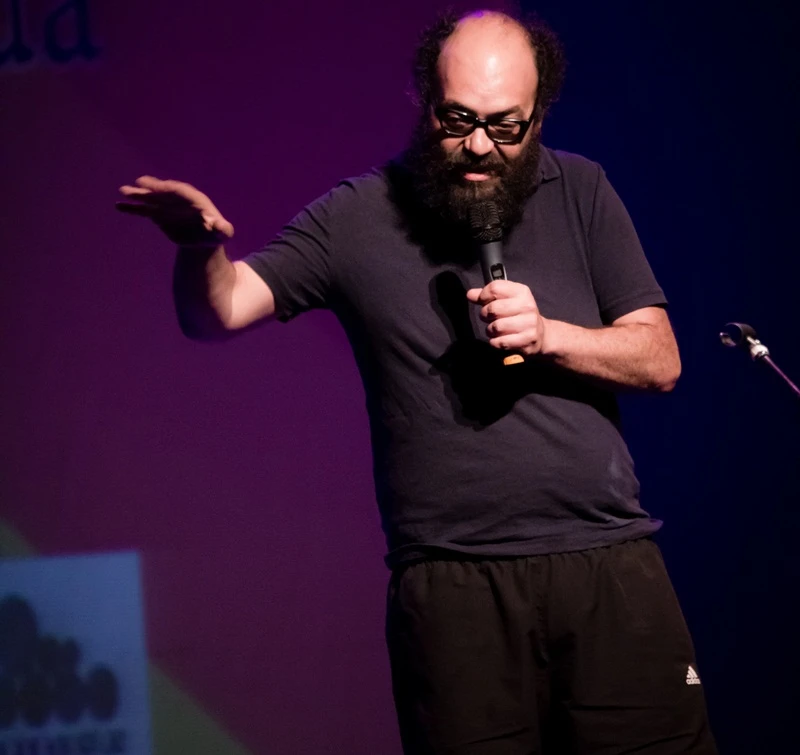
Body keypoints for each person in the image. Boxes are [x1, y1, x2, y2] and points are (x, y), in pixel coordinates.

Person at [117, 9, 717, 754]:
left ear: (540, 115)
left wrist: (550, 335)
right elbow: (221, 309)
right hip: (455, 589)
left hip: (609, 567)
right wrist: (197, 249)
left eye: (507, 127)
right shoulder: (357, 217)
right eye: (457, 118)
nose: (478, 146)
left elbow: (659, 358)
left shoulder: (581, 190)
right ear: (423, 99)